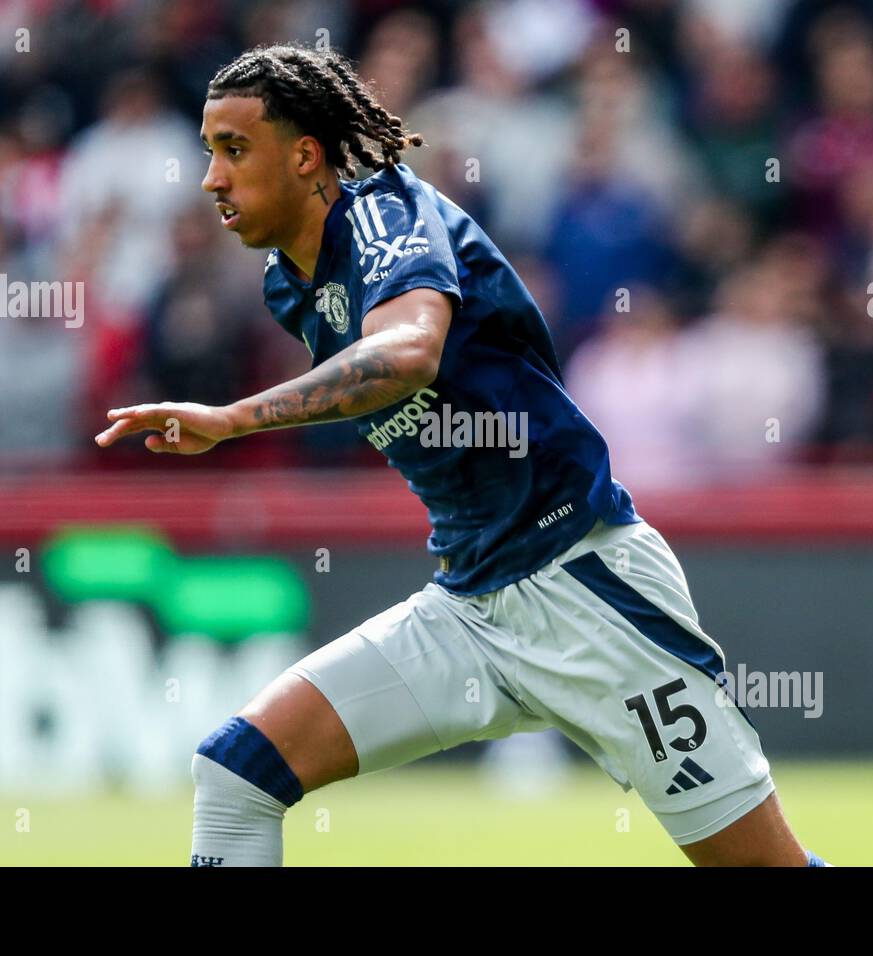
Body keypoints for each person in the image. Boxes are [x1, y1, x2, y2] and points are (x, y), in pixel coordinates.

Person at [95, 44, 828, 867]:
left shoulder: (387, 216)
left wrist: (232, 420)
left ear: (304, 156)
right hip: (472, 606)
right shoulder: (288, 280)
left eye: (233, 149)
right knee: (236, 773)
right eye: (208, 153)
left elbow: (409, 354)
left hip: (586, 587)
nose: (211, 179)